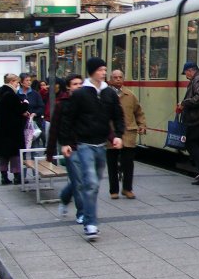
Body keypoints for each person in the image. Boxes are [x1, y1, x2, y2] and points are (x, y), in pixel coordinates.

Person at [58, 58, 124, 241]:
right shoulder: (80, 95)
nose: (104, 73)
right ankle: (90, 223)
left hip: (101, 145)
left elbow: (118, 115)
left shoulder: (109, 93)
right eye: (101, 69)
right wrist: (66, 143)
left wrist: (118, 135)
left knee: (93, 185)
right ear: (92, 71)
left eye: (105, 69)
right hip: (84, 145)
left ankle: (88, 219)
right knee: (90, 183)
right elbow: (68, 119)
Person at [46, 74, 84, 221]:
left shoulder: (87, 102)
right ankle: (81, 213)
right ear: (68, 87)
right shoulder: (62, 104)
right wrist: (50, 153)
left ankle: (64, 197)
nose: (79, 86)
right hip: (70, 147)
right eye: (75, 84)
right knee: (79, 182)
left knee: (82, 181)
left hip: (86, 146)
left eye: (80, 83)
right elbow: (54, 129)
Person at [106, 69, 147, 199]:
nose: (118, 79)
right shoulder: (105, 95)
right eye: (115, 77)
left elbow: (139, 112)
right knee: (112, 162)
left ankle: (127, 189)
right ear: (110, 80)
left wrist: (142, 125)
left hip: (128, 132)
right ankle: (113, 190)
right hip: (111, 133)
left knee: (128, 163)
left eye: (120, 77)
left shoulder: (130, 95)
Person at [0, 73, 27, 185]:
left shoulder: (1, 93)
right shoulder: (10, 95)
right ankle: (17, 176)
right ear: (11, 82)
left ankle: (4, 176)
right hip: (12, 130)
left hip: (2, 130)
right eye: (17, 82)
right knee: (14, 154)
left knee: (4, 154)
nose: (18, 84)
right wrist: (25, 104)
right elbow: (18, 110)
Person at [19, 73, 45, 147]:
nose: (29, 82)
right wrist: (22, 113)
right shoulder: (17, 94)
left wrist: (35, 113)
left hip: (34, 123)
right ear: (21, 82)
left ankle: (34, 158)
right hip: (22, 124)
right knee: (22, 147)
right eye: (27, 80)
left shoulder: (35, 94)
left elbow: (41, 107)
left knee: (35, 146)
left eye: (30, 80)